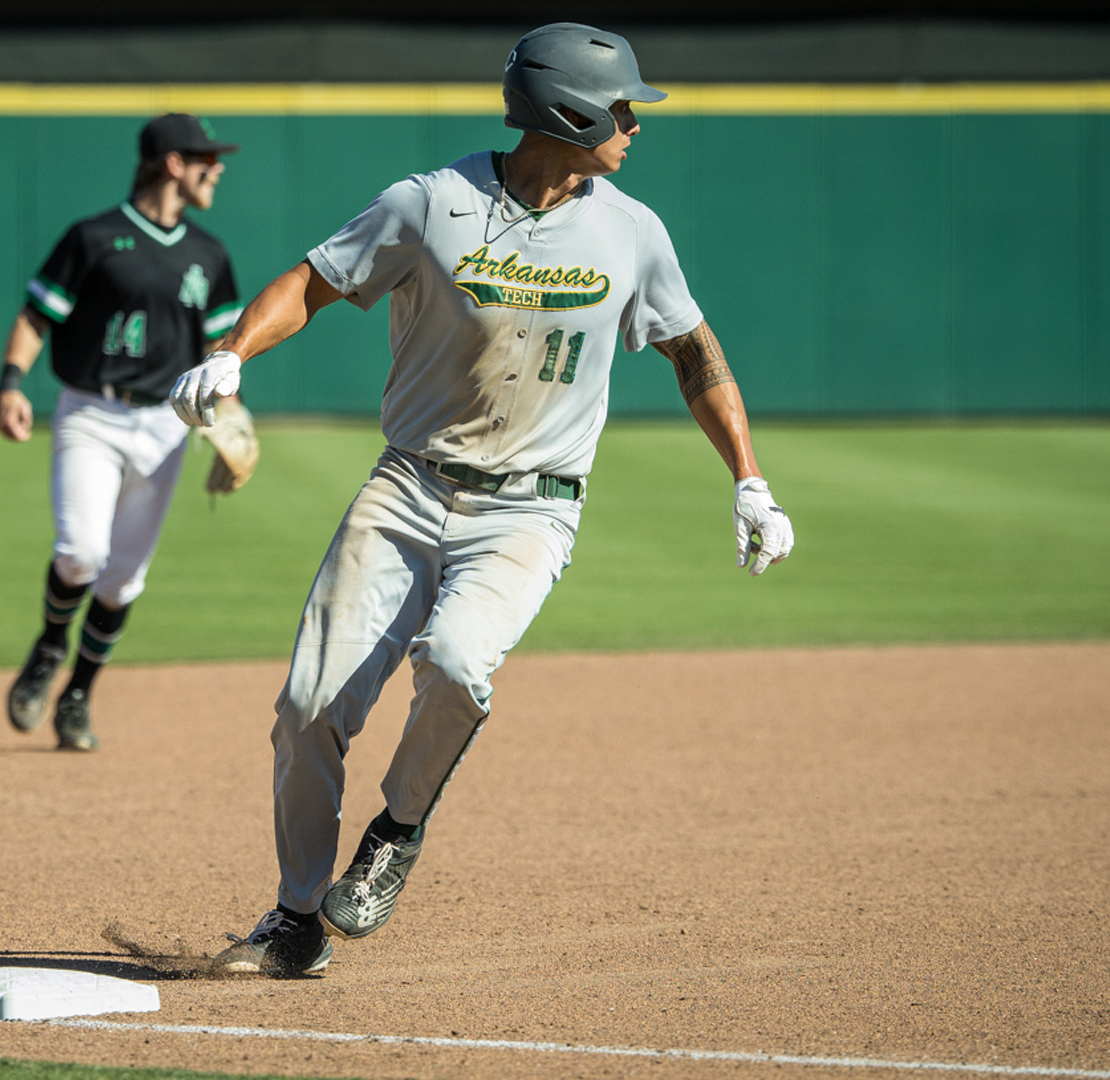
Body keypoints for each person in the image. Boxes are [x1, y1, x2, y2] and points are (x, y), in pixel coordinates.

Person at [173, 23, 796, 976]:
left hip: (530, 509)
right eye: (620, 106)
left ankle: (396, 832)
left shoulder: (633, 230)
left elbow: (693, 353)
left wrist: (750, 479)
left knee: (459, 665)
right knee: (305, 707)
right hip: (408, 487)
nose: (634, 123)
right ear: (566, 111)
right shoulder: (429, 205)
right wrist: (228, 354)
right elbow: (314, 282)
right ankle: (298, 916)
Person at [0, 113, 242, 751]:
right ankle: (50, 646)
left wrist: (231, 422)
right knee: (80, 553)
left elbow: (223, 347)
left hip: (165, 424)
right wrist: (10, 385)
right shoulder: (94, 237)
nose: (217, 167)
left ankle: (78, 693)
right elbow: (35, 315)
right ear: (172, 164)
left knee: (123, 578)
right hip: (92, 413)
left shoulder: (209, 255)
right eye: (205, 158)